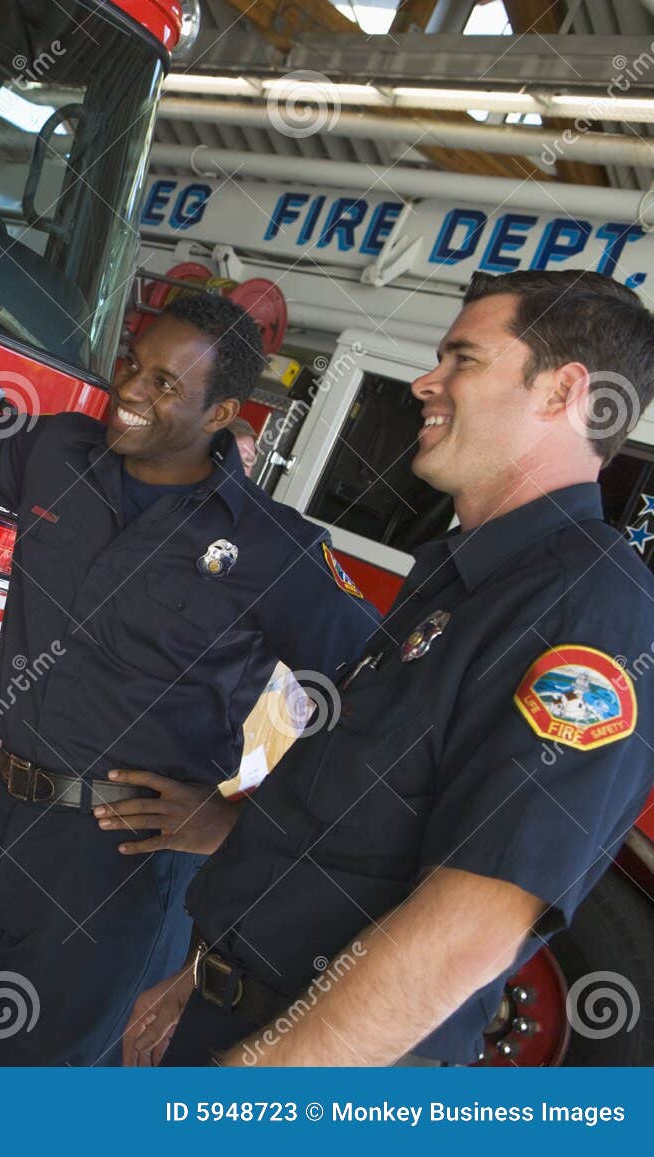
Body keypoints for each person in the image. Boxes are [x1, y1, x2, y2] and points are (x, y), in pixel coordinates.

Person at [124, 270, 654, 1067]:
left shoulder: (588, 614)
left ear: (564, 391)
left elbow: (471, 925)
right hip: (233, 1009)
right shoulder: (460, 576)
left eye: (462, 360)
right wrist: (201, 976)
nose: (424, 382)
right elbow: (376, 819)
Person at [0, 294, 381, 1065]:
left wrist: (242, 825)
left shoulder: (273, 549)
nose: (129, 389)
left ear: (222, 411)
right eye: (132, 363)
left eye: (166, 384)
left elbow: (376, 704)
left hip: (117, 873)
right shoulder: (60, 450)